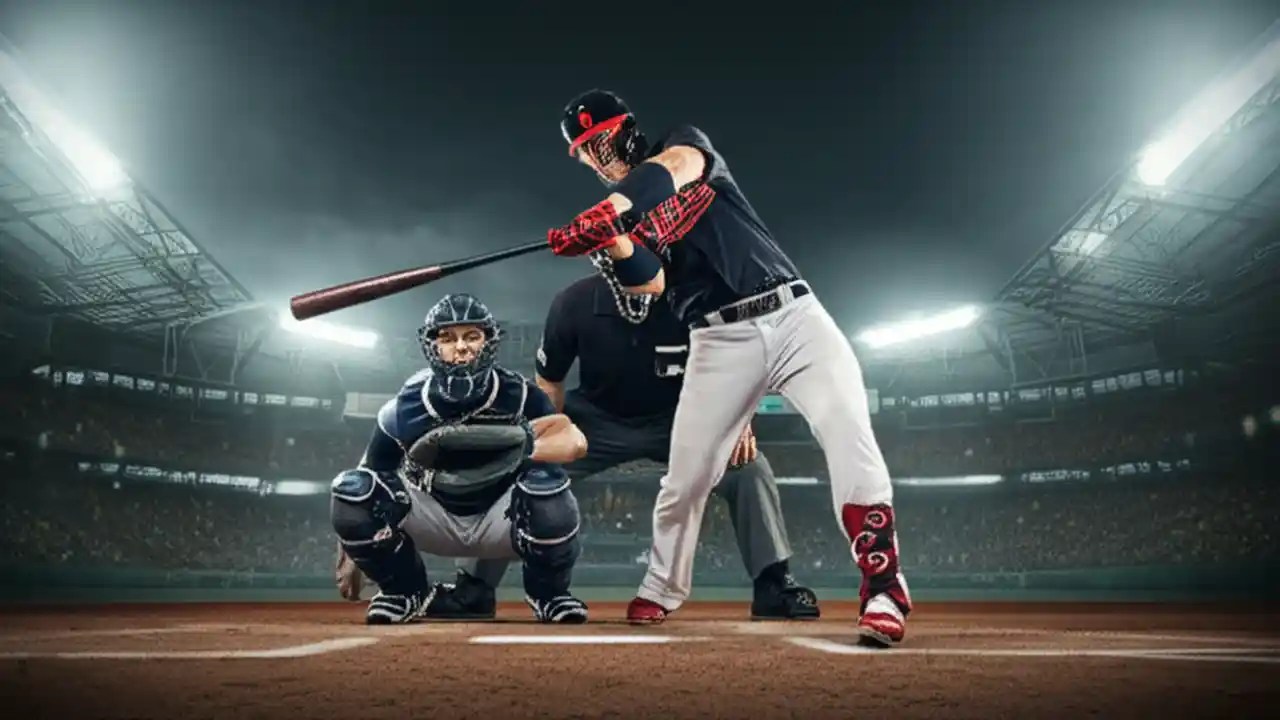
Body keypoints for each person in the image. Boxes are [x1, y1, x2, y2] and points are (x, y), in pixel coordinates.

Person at [541, 89, 911, 646]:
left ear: (625, 130)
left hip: (794, 314)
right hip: (717, 339)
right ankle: (663, 587)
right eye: (585, 152)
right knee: (687, 477)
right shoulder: (630, 214)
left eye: (599, 141)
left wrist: (612, 210)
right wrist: (613, 240)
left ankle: (884, 588)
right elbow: (651, 281)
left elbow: (671, 171)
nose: (596, 155)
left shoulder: (680, 145)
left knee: (847, 431)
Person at [424, 271, 820, 622]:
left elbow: (741, 363)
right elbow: (550, 382)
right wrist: (545, 438)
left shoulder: (701, 295)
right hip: (594, 418)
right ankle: (474, 586)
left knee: (748, 468)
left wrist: (742, 419)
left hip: (682, 417)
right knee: (519, 469)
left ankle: (773, 583)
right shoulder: (574, 301)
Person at [330, 292, 591, 624]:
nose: (461, 347)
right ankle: (403, 592)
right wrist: (350, 548)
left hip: (501, 517)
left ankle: (550, 595)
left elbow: (574, 441)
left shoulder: (522, 395)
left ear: (489, 341)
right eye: (447, 338)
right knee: (353, 489)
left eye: (472, 336)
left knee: (548, 486)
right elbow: (370, 471)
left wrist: (517, 443)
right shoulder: (407, 404)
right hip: (433, 513)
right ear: (431, 345)